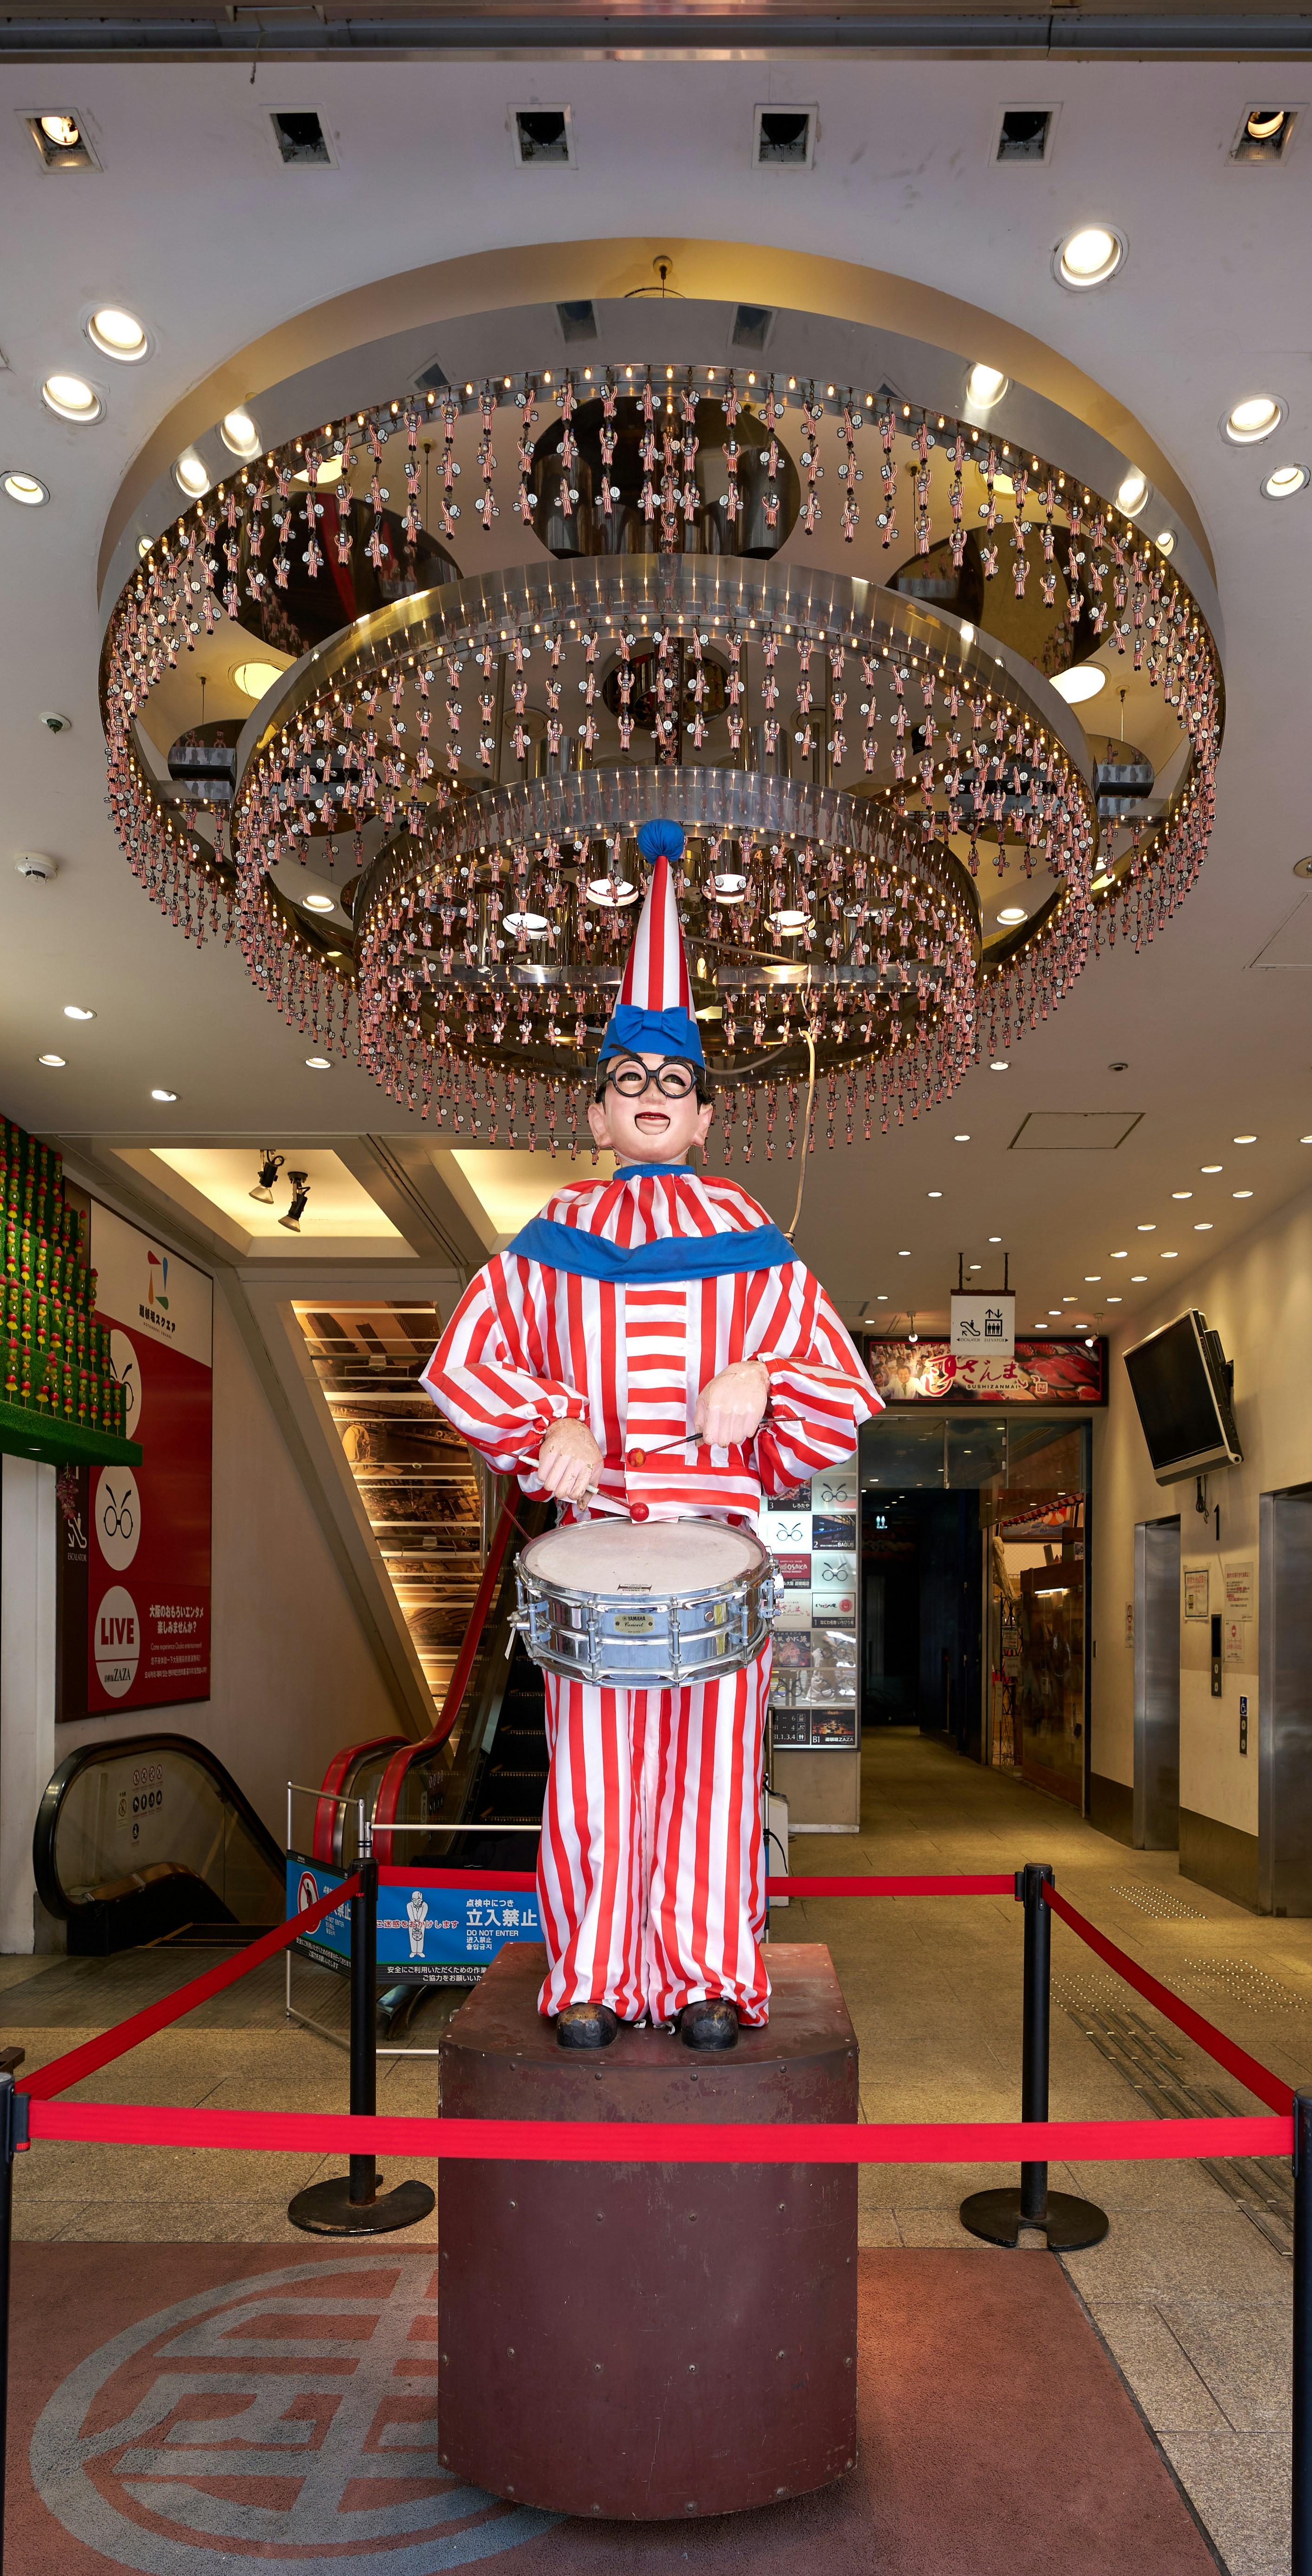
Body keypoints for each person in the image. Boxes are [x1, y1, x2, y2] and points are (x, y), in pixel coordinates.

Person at [422, 822, 883, 2055]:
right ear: (596, 1108)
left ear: (704, 1116)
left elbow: (838, 1382)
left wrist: (759, 1369)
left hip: (717, 1545)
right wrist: (546, 1427)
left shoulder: (746, 1228)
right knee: (587, 1777)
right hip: (595, 1543)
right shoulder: (554, 1229)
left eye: (670, 1087)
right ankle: (589, 1973)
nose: (649, 1102)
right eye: (629, 1085)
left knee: (709, 1779)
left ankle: (703, 1976)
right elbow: (461, 1364)